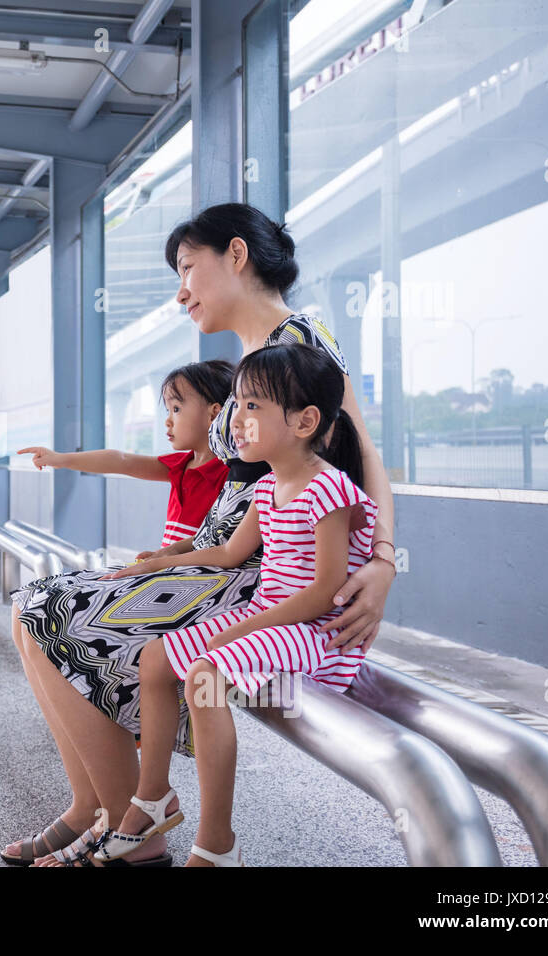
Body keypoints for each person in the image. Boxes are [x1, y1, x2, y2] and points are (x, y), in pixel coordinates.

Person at [3, 202, 397, 868]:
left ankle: (130, 823)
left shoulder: (298, 345)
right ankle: (97, 807)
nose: (181, 291)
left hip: (260, 579)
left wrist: (383, 560)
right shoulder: (255, 357)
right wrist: (178, 551)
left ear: (235, 256)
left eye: (188, 269)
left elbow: (367, 456)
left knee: (41, 609)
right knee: (32, 612)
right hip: (218, 561)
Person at [81, 343, 379, 867]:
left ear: (306, 420)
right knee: (155, 659)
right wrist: (159, 564)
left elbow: (324, 590)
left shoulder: (328, 489)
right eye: (237, 405)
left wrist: (240, 630)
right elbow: (226, 553)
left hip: (317, 633)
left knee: (203, 672)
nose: (237, 420)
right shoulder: (267, 486)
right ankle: (152, 798)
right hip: (268, 618)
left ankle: (217, 842)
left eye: (254, 407)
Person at [0, 359, 232, 866]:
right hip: (168, 579)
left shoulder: (235, 471)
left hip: (188, 589)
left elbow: (225, 549)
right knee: (25, 613)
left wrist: (171, 556)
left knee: (51, 618)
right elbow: (122, 459)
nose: (167, 421)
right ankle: (92, 807)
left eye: (176, 408)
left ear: (216, 412)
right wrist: (61, 459)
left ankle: (121, 816)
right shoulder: (182, 464)